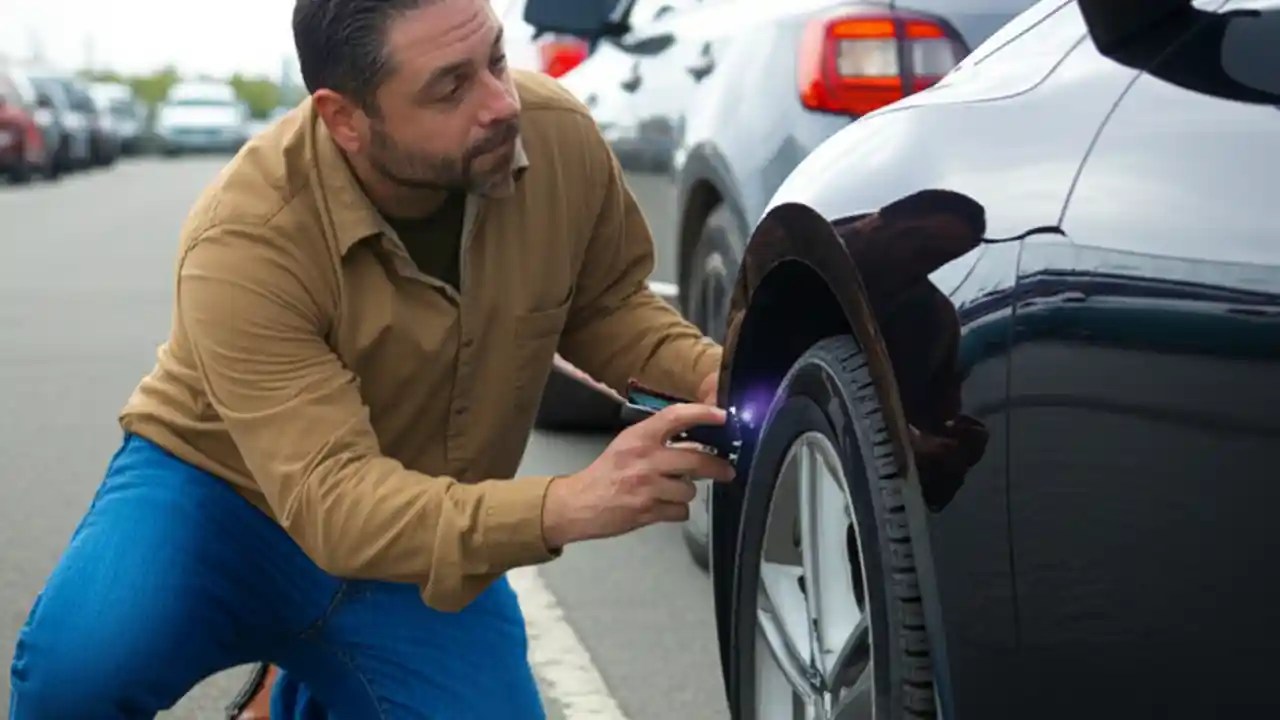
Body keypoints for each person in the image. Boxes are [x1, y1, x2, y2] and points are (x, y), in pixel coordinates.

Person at [6, 0, 735, 716]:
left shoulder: (555, 136)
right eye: (450, 86)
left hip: (419, 519)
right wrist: (567, 504)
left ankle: (305, 691)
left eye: (496, 59)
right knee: (73, 682)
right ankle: (303, 656)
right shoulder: (246, 239)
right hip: (223, 495)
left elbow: (607, 304)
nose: (499, 104)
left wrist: (710, 374)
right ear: (344, 118)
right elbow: (337, 501)